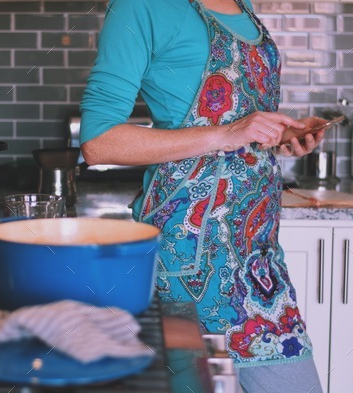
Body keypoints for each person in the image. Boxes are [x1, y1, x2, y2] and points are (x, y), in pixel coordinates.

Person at [79, 0, 327, 392]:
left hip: (259, 266)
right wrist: (229, 134)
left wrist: (279, 137)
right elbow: (99, 141)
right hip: (188, 263)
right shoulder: (141, 7)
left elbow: (238, 127)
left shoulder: (242, 7)